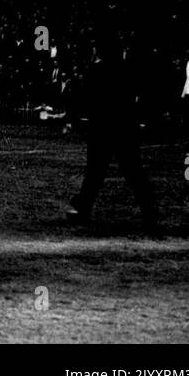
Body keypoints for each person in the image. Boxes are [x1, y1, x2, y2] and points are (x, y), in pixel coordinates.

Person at [66, 34, 159, 233]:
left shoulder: (96, 70)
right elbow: (140, 95)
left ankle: (83, 209)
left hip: (101, 128)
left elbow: (85, 97)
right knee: (133, 171)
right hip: (125, 128)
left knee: (94, 172)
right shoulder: (129, 70)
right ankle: (150, 212)